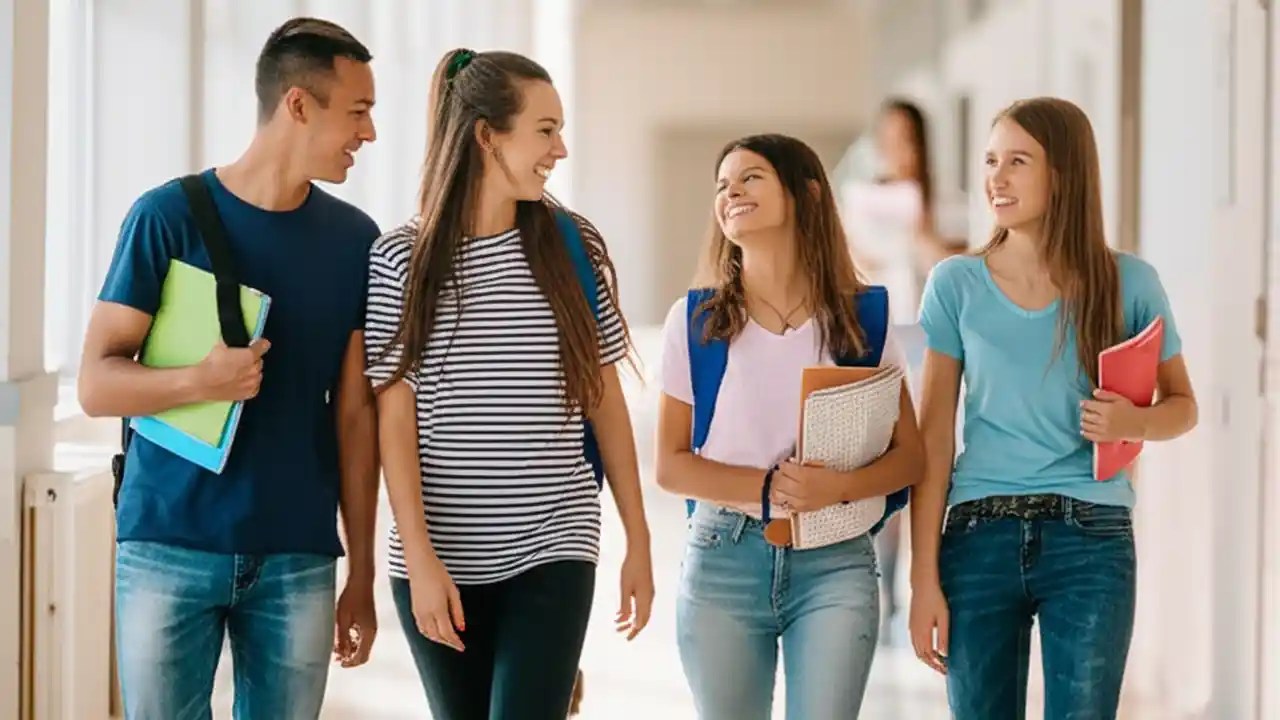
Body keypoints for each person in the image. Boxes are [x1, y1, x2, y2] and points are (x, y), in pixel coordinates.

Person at [77, 17, 382, 720]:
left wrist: (361, 566)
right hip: (167, 542)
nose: (368, 134)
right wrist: (198, 382)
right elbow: (97, 383)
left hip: (297, 555)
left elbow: (356, 416)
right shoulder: (165, 218)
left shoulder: (354, 242)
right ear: (298, 104)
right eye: (358, 112)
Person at [364, 48, 655, 720]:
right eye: (545, 130)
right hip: (439, 556)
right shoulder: (399, 258)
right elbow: (395, 415)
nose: (561, 149)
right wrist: (419, 557)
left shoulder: (570, 244)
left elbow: (604, 399)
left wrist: (637, 538)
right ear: (487, 134)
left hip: (553, 541)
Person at [908, 97, 1198, 719]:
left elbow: (1183, 407)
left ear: (1062, 173)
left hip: (1091, 539)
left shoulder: (1130, 283)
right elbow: (933, 442)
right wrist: (921, 578)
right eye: (991, 161)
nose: (997, 178)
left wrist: (1134, 422)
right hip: (977, 537)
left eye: (1018, 161)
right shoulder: (956, 284)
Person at [654, 133, 923, 719]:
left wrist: (837, 489)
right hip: (723, 558)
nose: (732, 193)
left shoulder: (862, 319)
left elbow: (912, 458)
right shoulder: (696, 320)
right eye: (722, 185)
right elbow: (672, 465)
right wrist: (767, 487)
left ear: (803, 194)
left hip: (837, 561)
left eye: (750, 178)